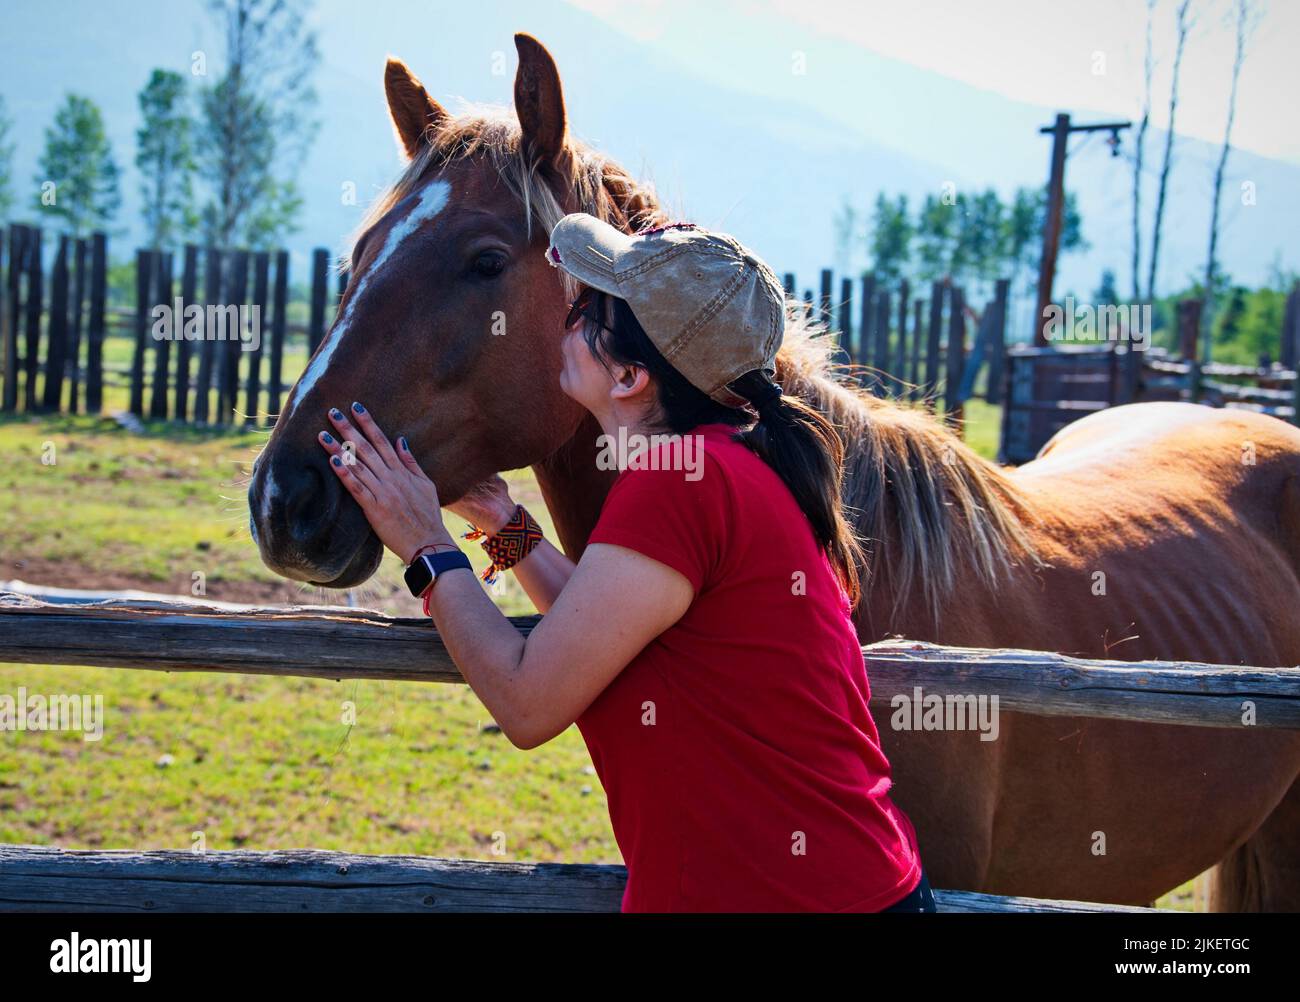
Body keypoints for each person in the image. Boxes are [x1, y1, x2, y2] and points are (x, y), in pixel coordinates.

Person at [316, 214, 934, 913]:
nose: (565, 321)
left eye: (584, 312)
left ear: (632, 374)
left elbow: (526, 702)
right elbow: (611, 626)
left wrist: (425, 547)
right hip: (852, 891)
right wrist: (503, 523)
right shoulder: (732, 461)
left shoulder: (676, 483)